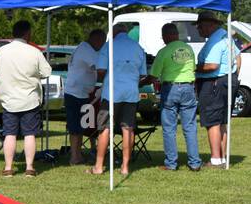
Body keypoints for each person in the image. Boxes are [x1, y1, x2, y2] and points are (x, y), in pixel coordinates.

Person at [0, 19, 52, 177]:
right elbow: (46, 72)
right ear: (27, 33)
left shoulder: (2, 51)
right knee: (30, 134)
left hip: (9, 100)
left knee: (10, 134)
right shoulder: (34, 52)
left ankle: (8, 167)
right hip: (29, 99)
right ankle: (29, 167)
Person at [91, 23, 144, 177]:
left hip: (111, 92)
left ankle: (99, 166)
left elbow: (100, 70)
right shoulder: (138, 47)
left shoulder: (109, 46)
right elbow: (142, 74)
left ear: (113, 33)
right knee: (128, 129)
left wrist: (106, 77)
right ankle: (125, 167)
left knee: (105, 128)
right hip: (131, 93)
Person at [149, 23, 201, 171]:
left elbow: (153, 75)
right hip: (188, 87)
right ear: (177, 35)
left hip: (170, 88)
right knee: (190, 127)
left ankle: (171, 163)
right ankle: (195, 163)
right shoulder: (189, 49)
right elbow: (193, 68)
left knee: (169, 128)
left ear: (166, 36)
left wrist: (140, 82)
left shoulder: (164, 51)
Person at [196, 12, 236, 167]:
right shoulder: (226, 37)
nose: (198, 29)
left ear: (210, 25)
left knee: (212, 121)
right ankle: (222, 157)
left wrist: (195, 68)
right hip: (227, 80)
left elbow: (212, 65)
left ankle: (215, 159)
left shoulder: (214, 41)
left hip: (214, 82)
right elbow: (238, 59)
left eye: (200, 26)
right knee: (222, 121)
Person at [64, 28, 104, 164]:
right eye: (102, 42)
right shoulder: (87, 50)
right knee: (76, 127)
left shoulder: (84, 47)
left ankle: (77, 155)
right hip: (76, 93)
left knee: (80, 126)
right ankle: (74, 157)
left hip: (79, 92)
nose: (103, 46)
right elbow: (100, 69)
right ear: (96, 40)